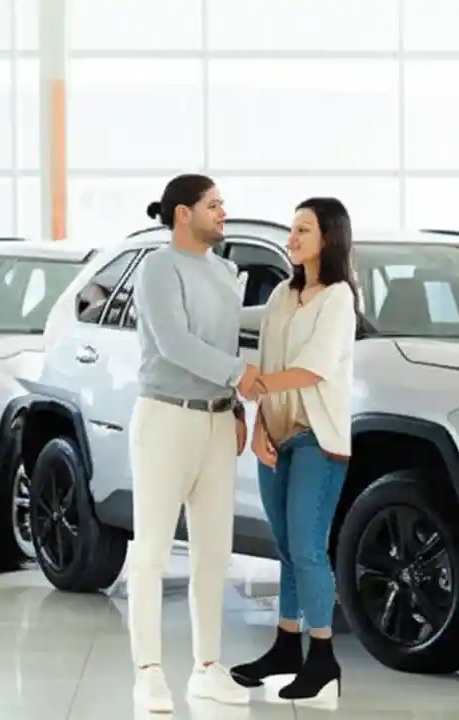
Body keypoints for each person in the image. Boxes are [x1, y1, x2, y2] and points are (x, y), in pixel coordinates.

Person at [126, 173, 263, 713]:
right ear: (184, 214)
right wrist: (239, 376)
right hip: (165, 419)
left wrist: (231, 405)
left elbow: (225, 334)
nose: (222, 213)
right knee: (153, 552)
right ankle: (149, 673)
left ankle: (207, 668)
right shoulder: (158, 267)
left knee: (214, 552)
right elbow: (174, 341)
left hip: (214, 421)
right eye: (214, 205)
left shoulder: (226, 271)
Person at [228, 197, 359, 703]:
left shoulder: (339, 297)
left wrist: (253, 385)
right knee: (285, 549)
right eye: (292, 228)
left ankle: (322, 657)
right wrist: (261, 423)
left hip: (317, 439)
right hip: (278, 435)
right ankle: (286, 645)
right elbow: (270, 357)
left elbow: (314, 367)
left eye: (303, 229)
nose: (292, 238)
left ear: (327, 237)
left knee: (307, 547)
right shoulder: (283, 294)